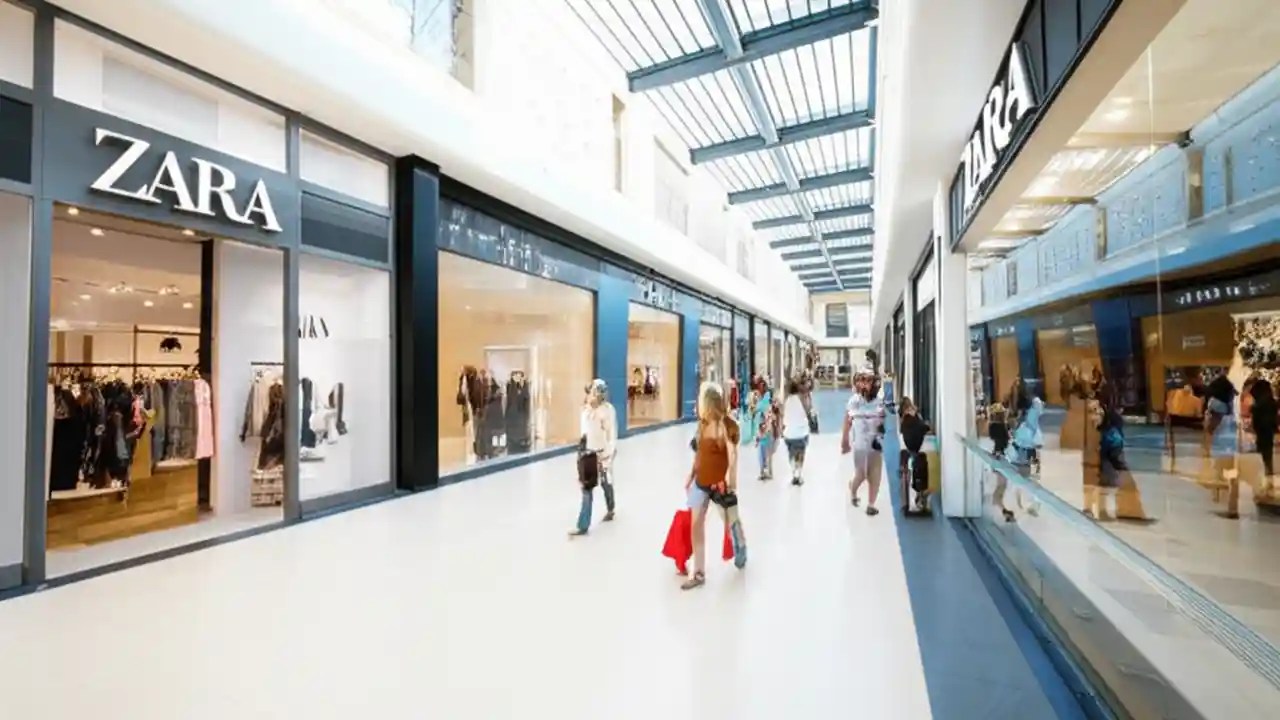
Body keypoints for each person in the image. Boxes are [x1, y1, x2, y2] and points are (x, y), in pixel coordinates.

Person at [683, 382, 740, 590]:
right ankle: (698, 572)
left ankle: (739, 544)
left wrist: (729, 480)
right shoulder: (702, 425)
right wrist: (691, 475)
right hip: (701, 482)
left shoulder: (726, 426)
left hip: (719, 484)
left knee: (729, 519)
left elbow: (732, 455)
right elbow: (698, 453)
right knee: (696, 525)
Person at [569, 379, 618, 537]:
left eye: (596, 391)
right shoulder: (586, 410)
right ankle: (583, 525)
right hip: (587, 453)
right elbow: (584, 433)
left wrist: (608, 456)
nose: (592, 395)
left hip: (602, 454)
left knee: (606, 483)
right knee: (587, 489)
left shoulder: (607, 411)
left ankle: (611, 508)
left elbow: (611, 435)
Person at [841, 364, 886, 515]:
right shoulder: (854, 401)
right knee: (861, 474)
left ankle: (871, 504)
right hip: (859, 444)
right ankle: (853, 490)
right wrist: (845, 440)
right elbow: (847, 421)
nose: (866, 384)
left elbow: (882, 421)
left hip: (875, 443)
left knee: (875, 473)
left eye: (869, 380)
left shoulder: (879, 401)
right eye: (863, 380)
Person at [898, 397, 931, 510]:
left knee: (910, 466)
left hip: (907, 450)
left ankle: (913, 497)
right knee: (920, 464)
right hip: (913, 450)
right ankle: (920, 494)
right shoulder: (911, 419)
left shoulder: (904, 420)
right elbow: (924, 428)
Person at [782, 378, 811, 486]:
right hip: (801, 432)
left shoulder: (786, 400)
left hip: (788, 433)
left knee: (791, 453)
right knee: (801, 453)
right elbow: (808, 410)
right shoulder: (802, 398)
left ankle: (794, 472)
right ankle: (798, 474)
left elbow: (782, 414)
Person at [1251, 379, 1277, 480]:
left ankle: (1267, 469)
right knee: (1268, 448)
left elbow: (1257, 413)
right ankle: (1268, 468)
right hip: (1268, 427)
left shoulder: (1260, 402)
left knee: (1264, 448)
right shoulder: (1271, 400)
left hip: (1262, 427)